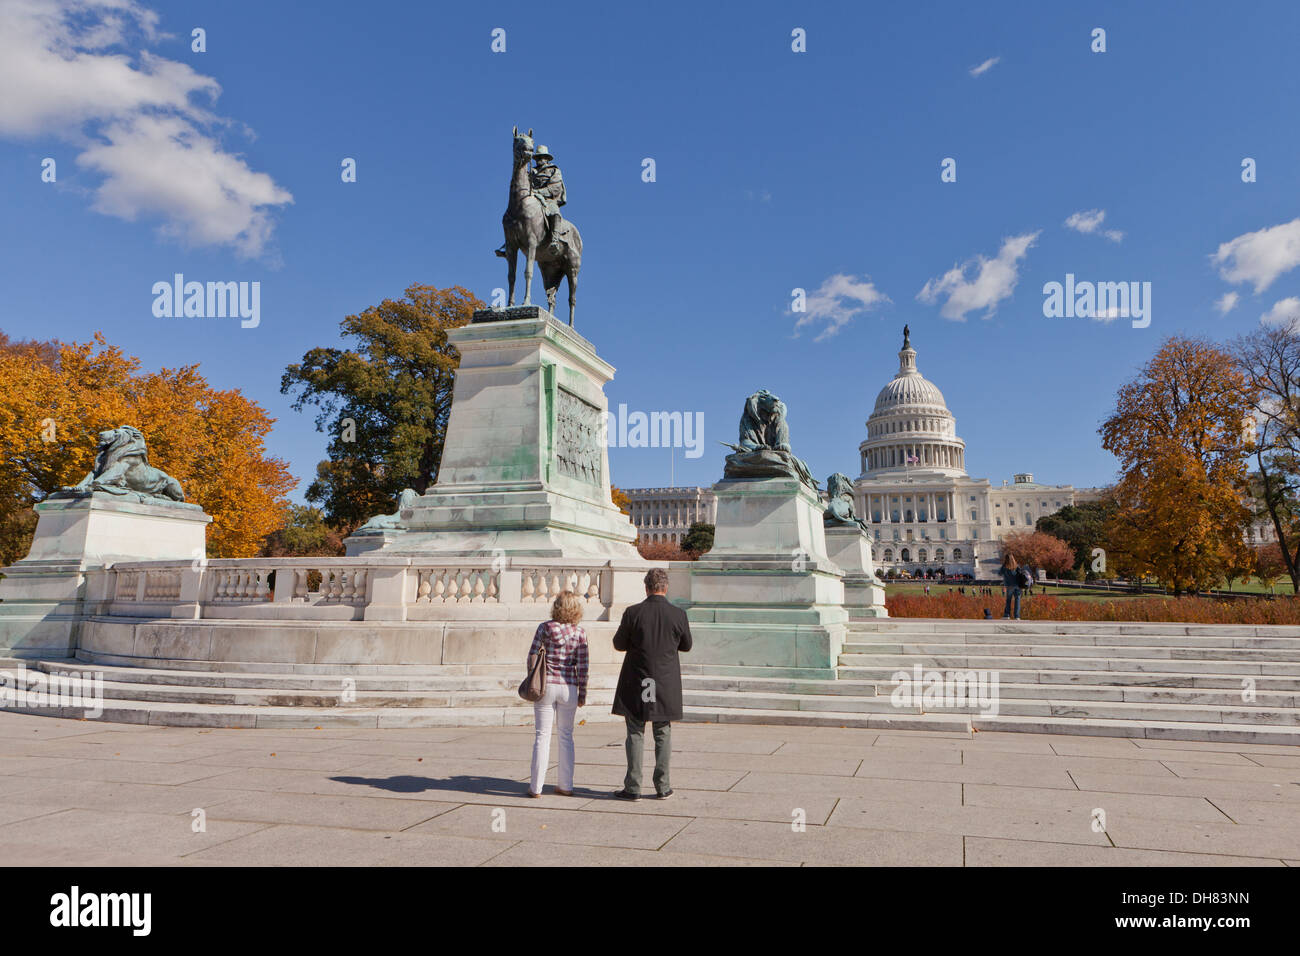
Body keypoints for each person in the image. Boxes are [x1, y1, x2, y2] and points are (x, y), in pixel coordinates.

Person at [611, 567, 692, 800]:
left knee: (635, 731)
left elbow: (619, 643)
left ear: (646, 587)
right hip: (665, 681)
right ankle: (663, 786)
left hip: (637, 679)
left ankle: (633, 787)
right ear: (665, 588)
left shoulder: (633, 612)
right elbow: (686, 645)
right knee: (663, 731)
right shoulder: (678, 615)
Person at [526, 590, 588, 798]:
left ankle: (536, 787)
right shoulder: (580, 633)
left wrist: (532, 679)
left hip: (546, 685)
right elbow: (583, 666)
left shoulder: (545, 628)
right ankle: (566, 785)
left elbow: (533, 655)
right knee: (566, 737)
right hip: (569, 686)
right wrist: (582, 693)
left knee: (542, 736)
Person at [1000, 554, 1023, 620]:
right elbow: (1020, 574)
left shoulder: (1005, 566)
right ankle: (1017, 616)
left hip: (1009, 585)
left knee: (1008, 600)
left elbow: (1000, 573)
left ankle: (1007, 615)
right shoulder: (1017, 566)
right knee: (1017, 601)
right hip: (1017, 585)